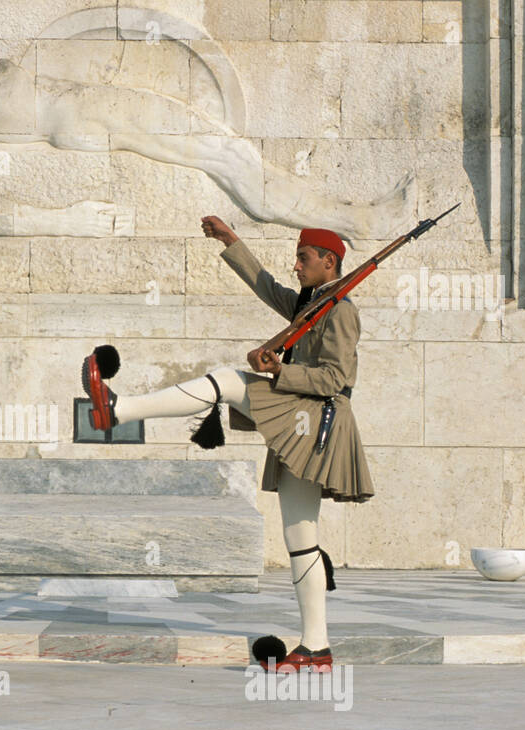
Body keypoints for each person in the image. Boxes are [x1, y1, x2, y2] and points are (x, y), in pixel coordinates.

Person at [81, 216, 373, 672]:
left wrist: (279, 372)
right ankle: (316, 648)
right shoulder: (310, 301)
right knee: (301, 539)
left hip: (318, 418)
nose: (295, 266)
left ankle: (117, 411)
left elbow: (337, 378)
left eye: (303, 257)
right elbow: (265, 285)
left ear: (328, 261)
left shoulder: (342, 311)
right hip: (303, 419)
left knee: (228, 381)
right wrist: (231, 240)